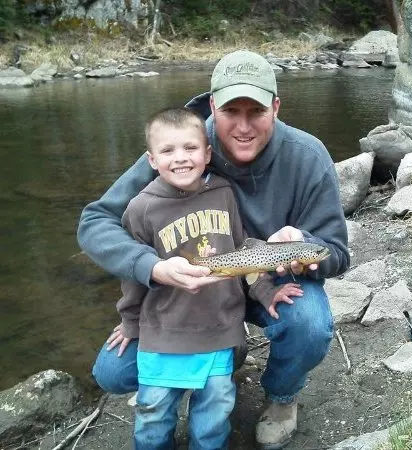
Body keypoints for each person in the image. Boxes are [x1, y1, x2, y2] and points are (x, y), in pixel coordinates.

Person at [78, 50, 350, 450]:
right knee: (113, 372)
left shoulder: (308, 158)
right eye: (230, 112)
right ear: (212, 108)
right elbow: (95, 221)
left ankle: (282, 397)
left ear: (276, 107)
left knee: (309, 323)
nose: (242, 126)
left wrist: (306, 249)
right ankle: (219, 358)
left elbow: (337, 254)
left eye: (255, 111)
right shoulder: (182, 146)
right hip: (191, 290)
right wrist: (149, 268)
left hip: (266, 283)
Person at [114, 107, 302, 449]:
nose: (181, 158)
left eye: (190, 148)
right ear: (151, 160)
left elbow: (246, 256)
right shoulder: (140, 209)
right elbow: (133, 275)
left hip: (220, 328)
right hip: (163, 334)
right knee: (153, 414)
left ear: (207, 153)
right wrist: (129, 321)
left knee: (215, 413)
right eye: (168, 151)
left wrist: (265, 292)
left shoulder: (224, 194)